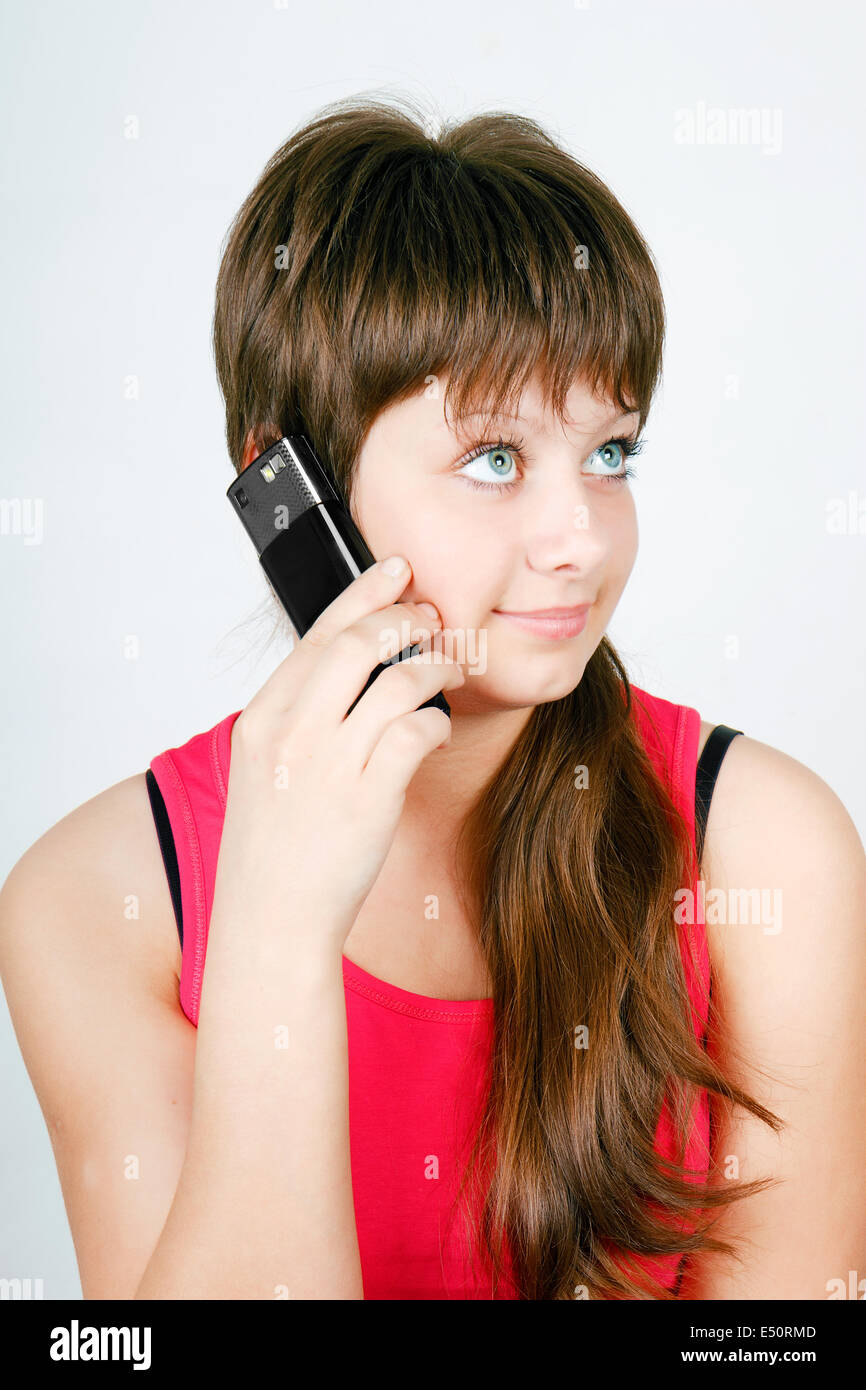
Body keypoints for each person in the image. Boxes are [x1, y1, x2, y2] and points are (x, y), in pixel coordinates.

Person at [1, 95, 864, 1302]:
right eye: (494, 460)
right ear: (290, 489)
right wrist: (273, 929)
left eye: (609, 452)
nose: (578, 540)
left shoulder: (766, 851)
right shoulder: (92, 901)